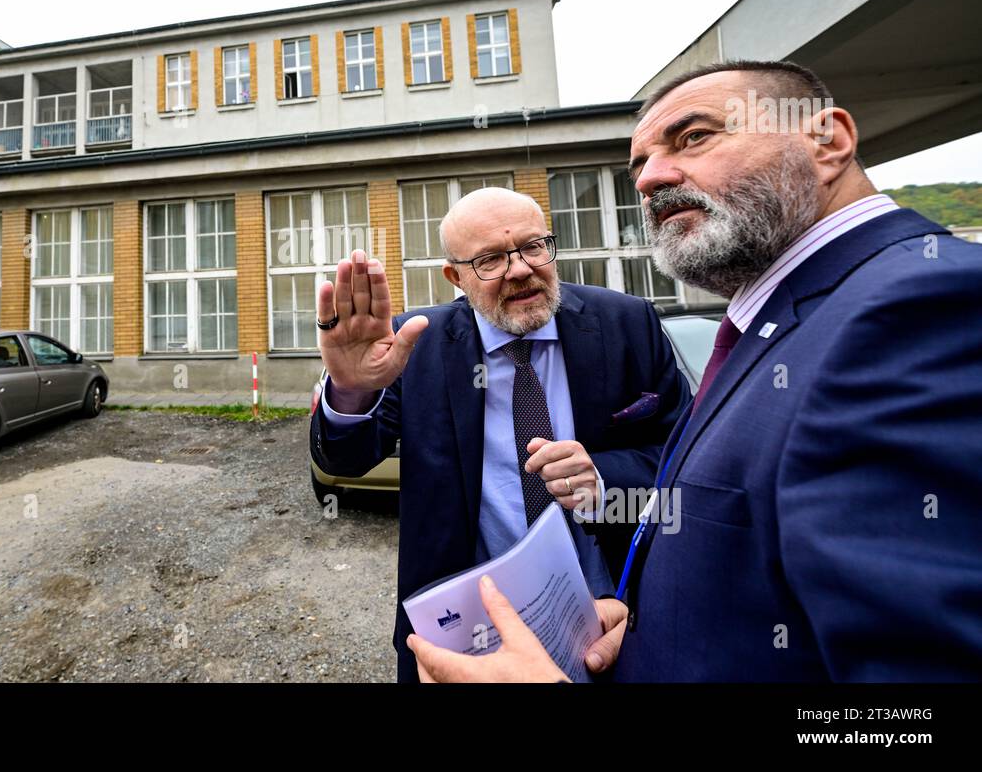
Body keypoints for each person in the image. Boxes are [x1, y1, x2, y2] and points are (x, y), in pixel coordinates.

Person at [411, 60, 982, 682]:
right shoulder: (783, 315)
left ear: (828, 142)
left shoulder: (919, 309)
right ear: (457, 277)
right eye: (640, 165)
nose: (652, 178)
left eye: (694, 137)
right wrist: (649, 621)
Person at [310, 187, 689, 682]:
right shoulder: (415, 344)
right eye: (490, 259)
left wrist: (603, 479)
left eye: (533, 247)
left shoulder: (626, 322)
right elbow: (345, 460)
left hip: (613, 612)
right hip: (470, 625)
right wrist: (351, 388)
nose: (519, 269)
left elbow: (686, 454)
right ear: (456, 277)